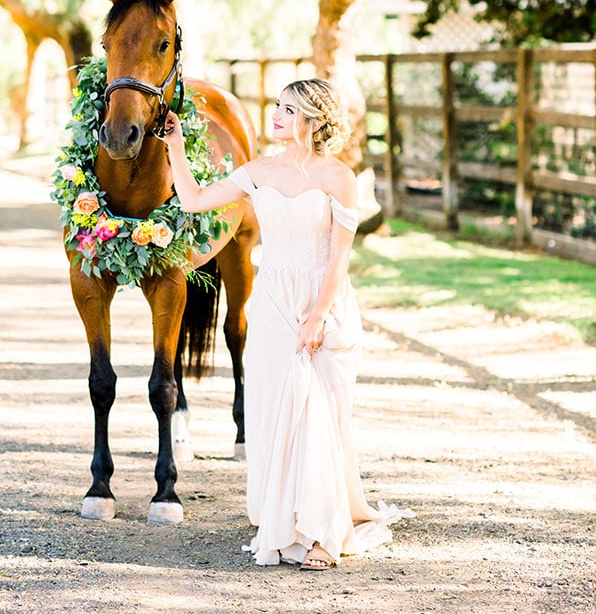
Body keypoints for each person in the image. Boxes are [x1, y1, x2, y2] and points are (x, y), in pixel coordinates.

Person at [161, 78, 413, 570]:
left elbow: (339, 257)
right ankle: (287, 520)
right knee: (277, 413)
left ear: (314, 122)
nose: (276, 114)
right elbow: (192, 199)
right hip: (273, 303)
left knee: (317, 415)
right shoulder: (259, 170)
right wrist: (175, 145)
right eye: (277, 105)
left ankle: (323, 534)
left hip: (323, 301)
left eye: (289, 109)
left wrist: (318, 315)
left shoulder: (338, 177)